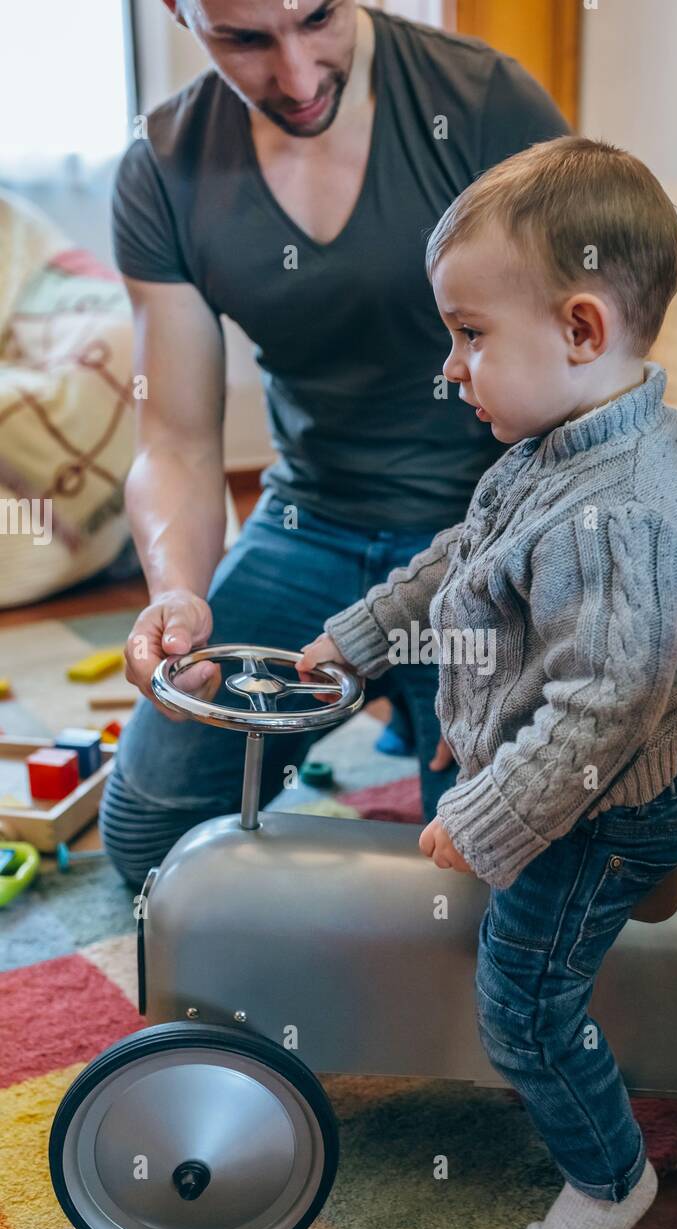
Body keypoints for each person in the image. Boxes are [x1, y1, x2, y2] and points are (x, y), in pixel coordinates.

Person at [298, 136, 677, 1229]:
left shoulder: (625, 516)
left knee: (523, 1008)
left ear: (582, 331)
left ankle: (609, 1175)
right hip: (567, 769)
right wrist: (356, 638)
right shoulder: (548, 452)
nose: (451, 368)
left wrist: (488, 814)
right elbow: (456, 557)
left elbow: (600, 714)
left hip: (608, 808)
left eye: (470, 335)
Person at [99, 0, 569, 884]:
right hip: (306, 523)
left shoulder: (483, 105)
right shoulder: (163, 167)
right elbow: (177, 442)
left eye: (317, 17)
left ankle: (405, 698)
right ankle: (395, 696)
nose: (301, 76)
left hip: (481, 537)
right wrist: (177, 599)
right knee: (149, 849)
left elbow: (588, 378)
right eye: (244, 38)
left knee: (485, 874)